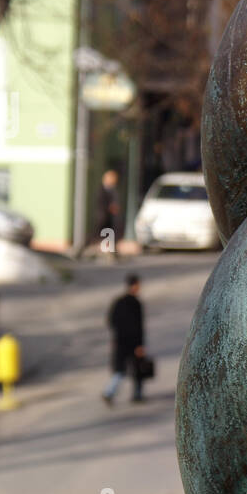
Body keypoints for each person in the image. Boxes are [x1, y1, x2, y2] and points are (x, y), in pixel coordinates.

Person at [103, 274, 145, 404]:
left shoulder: (118, 302)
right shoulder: (136, 303)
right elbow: (138, 327)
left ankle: (110, 392)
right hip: (132, 342)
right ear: (134, 285)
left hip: (120, 341)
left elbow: (111, 321)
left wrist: (117, 335)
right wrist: (139, 344)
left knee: (121, 369)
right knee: (137, 369)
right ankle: (136, 394)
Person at [96, 168, 122, 255]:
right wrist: (109, 207)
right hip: (105, 216)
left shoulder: (112, 189)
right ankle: (106, 251)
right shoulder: (103, 189)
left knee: (111, 233)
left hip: (111, 217)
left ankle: (111, 251)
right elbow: (101, 202)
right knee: (106, 233)